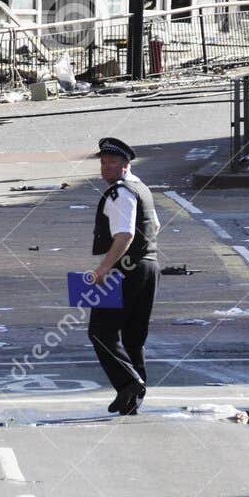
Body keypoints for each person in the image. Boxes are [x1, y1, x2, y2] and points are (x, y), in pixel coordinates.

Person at [87, 137, 161, 416]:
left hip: (124, 270)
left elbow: (126, 235)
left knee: (100, 331)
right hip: (148, 266)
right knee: (132, 336)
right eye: (103, 162)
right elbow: (154, 225)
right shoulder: (142, 188)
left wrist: (104, 268)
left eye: (112, 163)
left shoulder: (120, 193)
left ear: (125, 164)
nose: (106, 168)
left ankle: (130, 383)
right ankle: (132, 397)